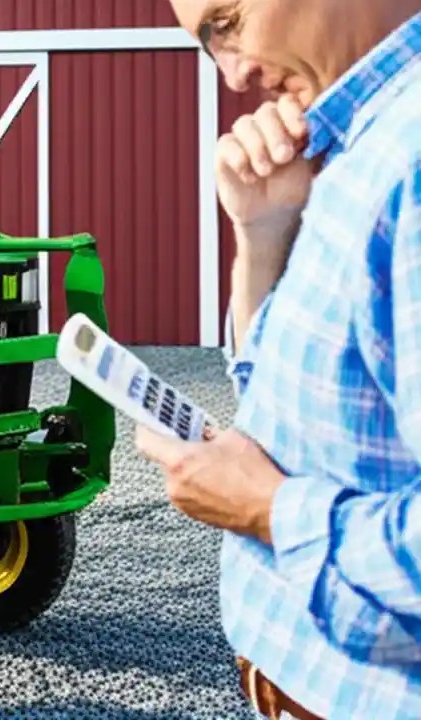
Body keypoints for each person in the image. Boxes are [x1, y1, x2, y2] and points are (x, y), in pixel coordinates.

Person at [138, 1, 421, 718]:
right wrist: (263, 235)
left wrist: (267, 509)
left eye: (227, 22)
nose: (233, 75)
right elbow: (312, 402)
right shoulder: (364, 135)